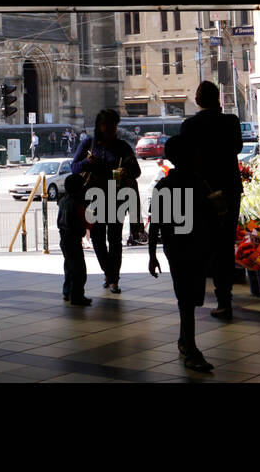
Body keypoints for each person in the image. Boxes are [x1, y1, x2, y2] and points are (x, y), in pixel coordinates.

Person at [174, 81, 243, 319]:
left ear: (198, 100)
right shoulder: (231, 122)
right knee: (225, 244)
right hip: (230, 191)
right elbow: (236, 148)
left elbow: (184, 157)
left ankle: (196, 296)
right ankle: (225, 298)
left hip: (201, 191)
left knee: (202, 243)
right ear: (218, 100)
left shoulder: (190, 126)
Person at [148, 141, 214, 372]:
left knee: (189, 298)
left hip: (178, 246)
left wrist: (152, 255)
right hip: (188, 246)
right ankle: (192, 349)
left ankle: (185, 341)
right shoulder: (197, 183)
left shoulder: (169, 185)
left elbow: (155, 224)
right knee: (187, 298)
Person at [71, 109, 136, 294]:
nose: (112, 130)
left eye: (114, 126)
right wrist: (87, 163)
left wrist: (126, 171)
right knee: (98, 239)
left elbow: (136, 171)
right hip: (94, 198)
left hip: (117, 198)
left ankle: (113, 278)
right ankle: (110, 274)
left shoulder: (122, 146)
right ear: (100, 126)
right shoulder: (88, 144)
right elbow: (74, 168)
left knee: (115, 239)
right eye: (108, 126)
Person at [57, 171, 91, 306]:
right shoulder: (77, 204)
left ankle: (67, 291)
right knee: (79, 270)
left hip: (64, 238)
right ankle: (77, 296)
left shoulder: (63, 201)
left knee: (69, 266)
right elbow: (82, 222)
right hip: (73, 239)